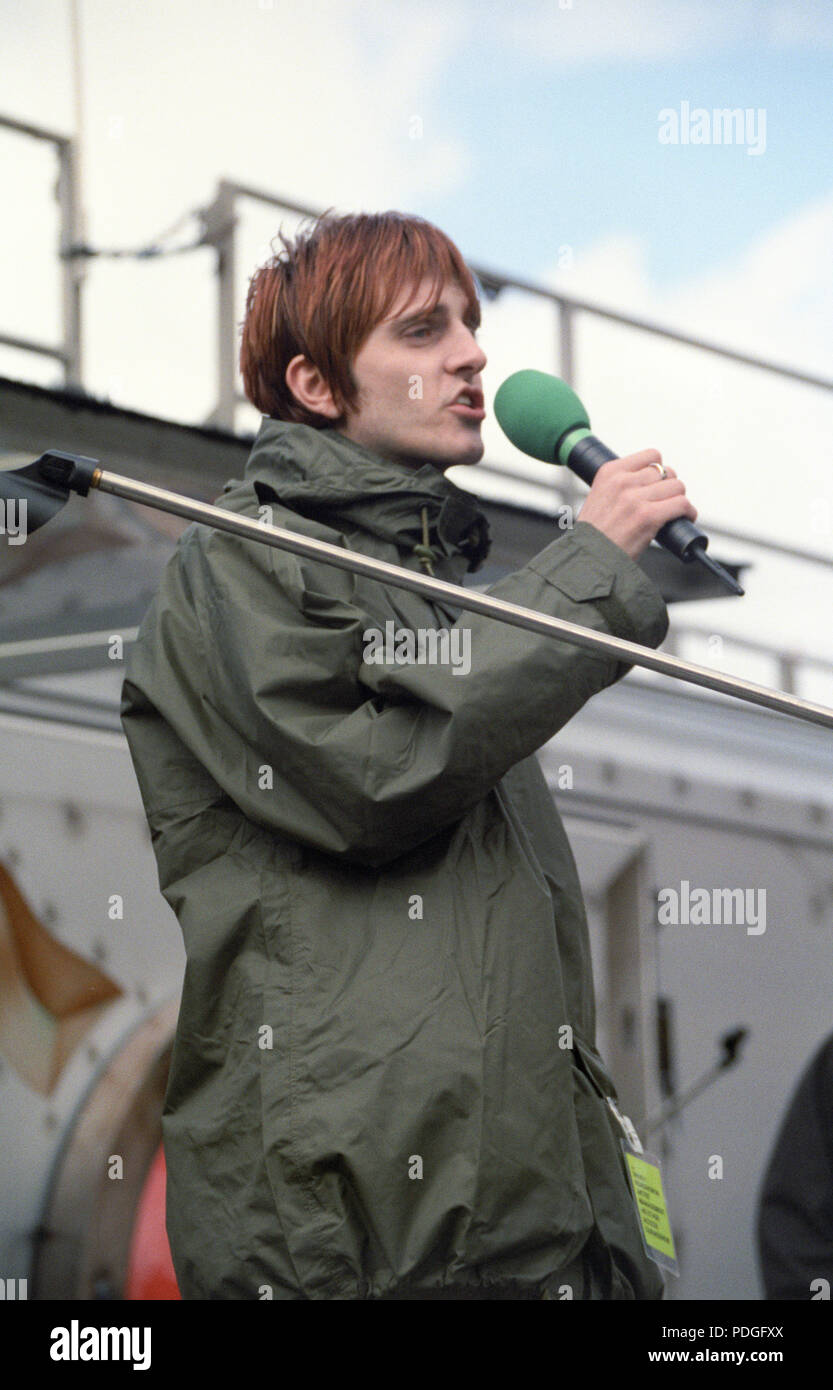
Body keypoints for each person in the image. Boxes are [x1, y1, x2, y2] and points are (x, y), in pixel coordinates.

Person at [120, 209, 698, 1300]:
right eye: (424, 329)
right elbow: (376, 774)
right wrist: (584, 569)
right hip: (367, 1254)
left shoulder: (448, 606)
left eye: (471, 325)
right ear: (315, 384)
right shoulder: (235, 563)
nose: (473, 353)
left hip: (533, 1250)